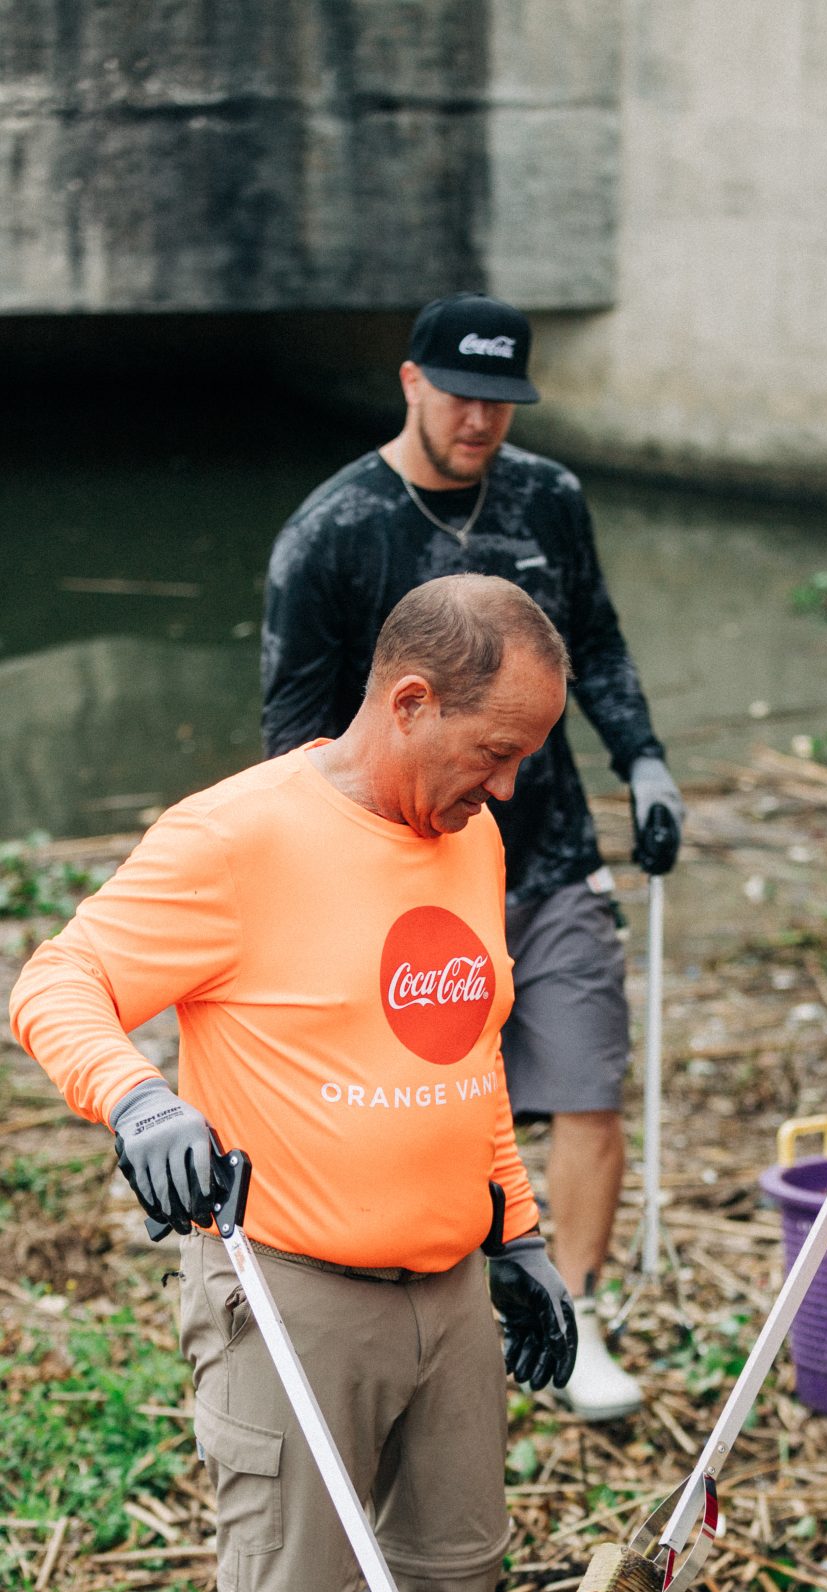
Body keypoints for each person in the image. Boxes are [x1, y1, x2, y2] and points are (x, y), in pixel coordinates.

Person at [10, 575, 594, 1592]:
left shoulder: (468, 838)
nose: (510, 783)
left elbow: (463, 1060)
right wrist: (142, 1106)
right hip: (287, 1283)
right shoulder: (236, 837)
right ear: (408, 702)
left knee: (455, 1572)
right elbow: (54, 981)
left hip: (447, 1279)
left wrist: (516, 1233)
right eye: (494, 749)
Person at [260, 291, 685, 1422]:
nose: (481, 421)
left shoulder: (550, 497)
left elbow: (592, 639)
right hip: (407, 870)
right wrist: (323, 872)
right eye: (460, 395)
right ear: (409, 383)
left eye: (503, 400)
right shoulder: (335, 530)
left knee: (588, 1080)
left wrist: (642, 759)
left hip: (545, 854)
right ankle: (449, 1293)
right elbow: (293, 721)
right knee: (432, 1089)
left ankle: (577, 1309)